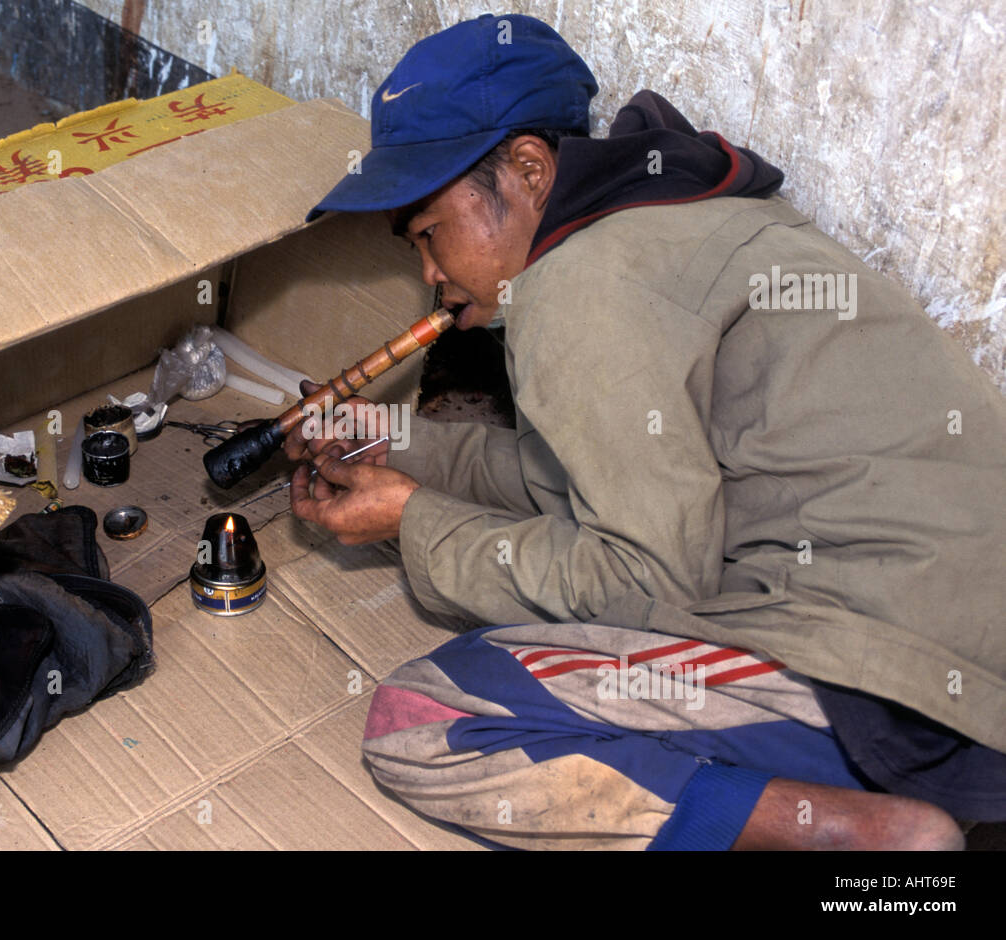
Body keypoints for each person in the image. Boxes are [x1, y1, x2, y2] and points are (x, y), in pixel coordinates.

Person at [284, 13, 1006, 850]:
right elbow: (570, 481)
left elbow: (650, 578)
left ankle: (865, 841)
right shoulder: (663, 217)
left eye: (431, 234)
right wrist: (388, 442)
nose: (431, 274)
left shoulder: (578, 289)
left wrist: (413, 522)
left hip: (897, 684)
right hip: (951, 641)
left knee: (427, 715)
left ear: (526, 169)